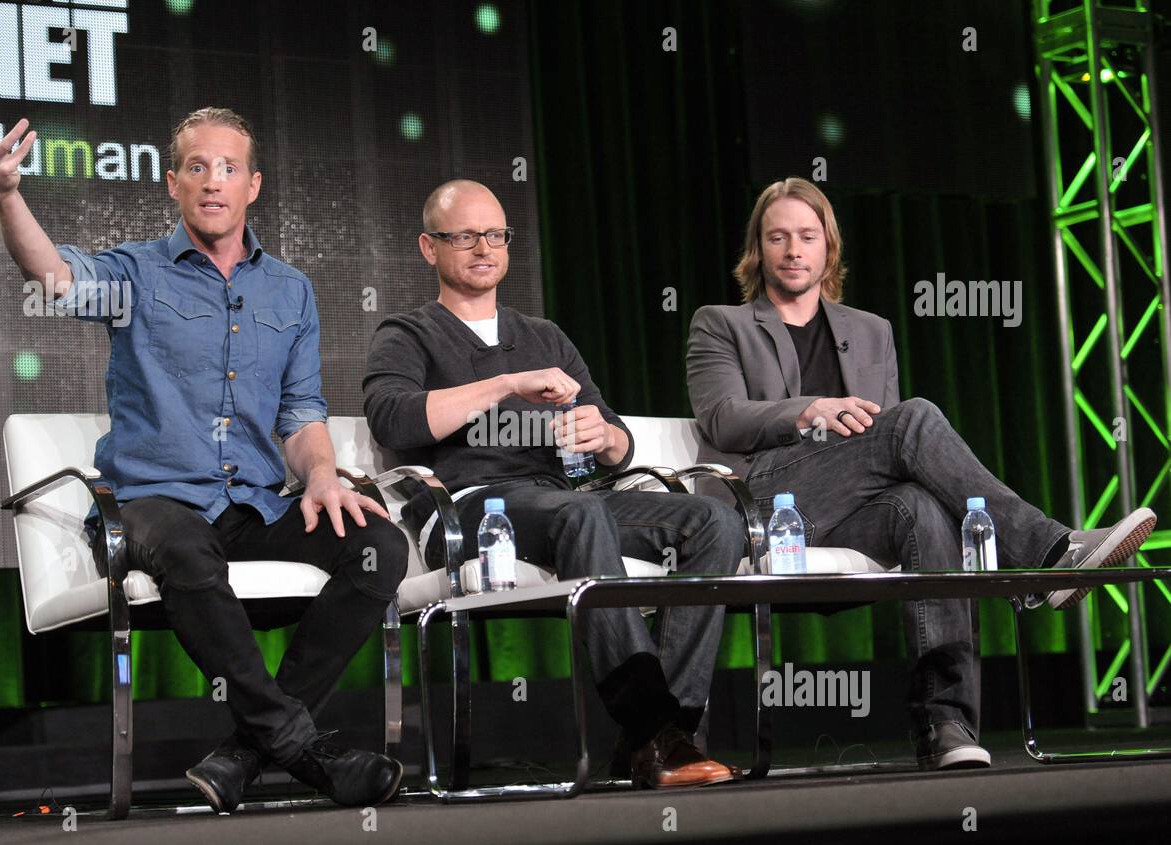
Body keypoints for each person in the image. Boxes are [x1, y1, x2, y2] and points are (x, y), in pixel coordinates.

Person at [0, 107, 408, 811]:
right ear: (173, 183)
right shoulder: (135, 274)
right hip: (157, 502)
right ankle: (304, 748)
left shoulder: (291, 290)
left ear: (253, 185)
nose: (213, 182)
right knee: (188, 548)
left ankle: (248, 751)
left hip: (254, 501)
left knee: (376, 543)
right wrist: (6, 193)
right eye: (197, 167)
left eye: (229, 168)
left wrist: (320, 473)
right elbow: (56, 277)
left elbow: (301, 411)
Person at [686, 176, 1157, 769]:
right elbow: (723, 419)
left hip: (849, 504)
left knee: (922, 506)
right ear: (759, 248)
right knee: (914, 422)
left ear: (828, 246)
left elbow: (886, 457)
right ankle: (1051, 553)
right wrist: (808, 410)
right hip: (764, 504)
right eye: (778, 238)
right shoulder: (719, 323)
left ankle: (945, 725)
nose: (793, 250)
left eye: (807, 236)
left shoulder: (870, 330)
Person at [364, 179, 747, 788]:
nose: (483, 247)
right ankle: (655, 731)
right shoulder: (407, 334)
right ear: (427, 247)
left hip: (565, 500)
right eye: (463, 236)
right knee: (580, 515)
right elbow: (394, 417)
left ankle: (666, 732)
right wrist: (506, 385)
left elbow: (616, 442)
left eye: (495, 235)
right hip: (469, 513)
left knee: (714, 523)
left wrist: (607, 437)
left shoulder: (543, 335)